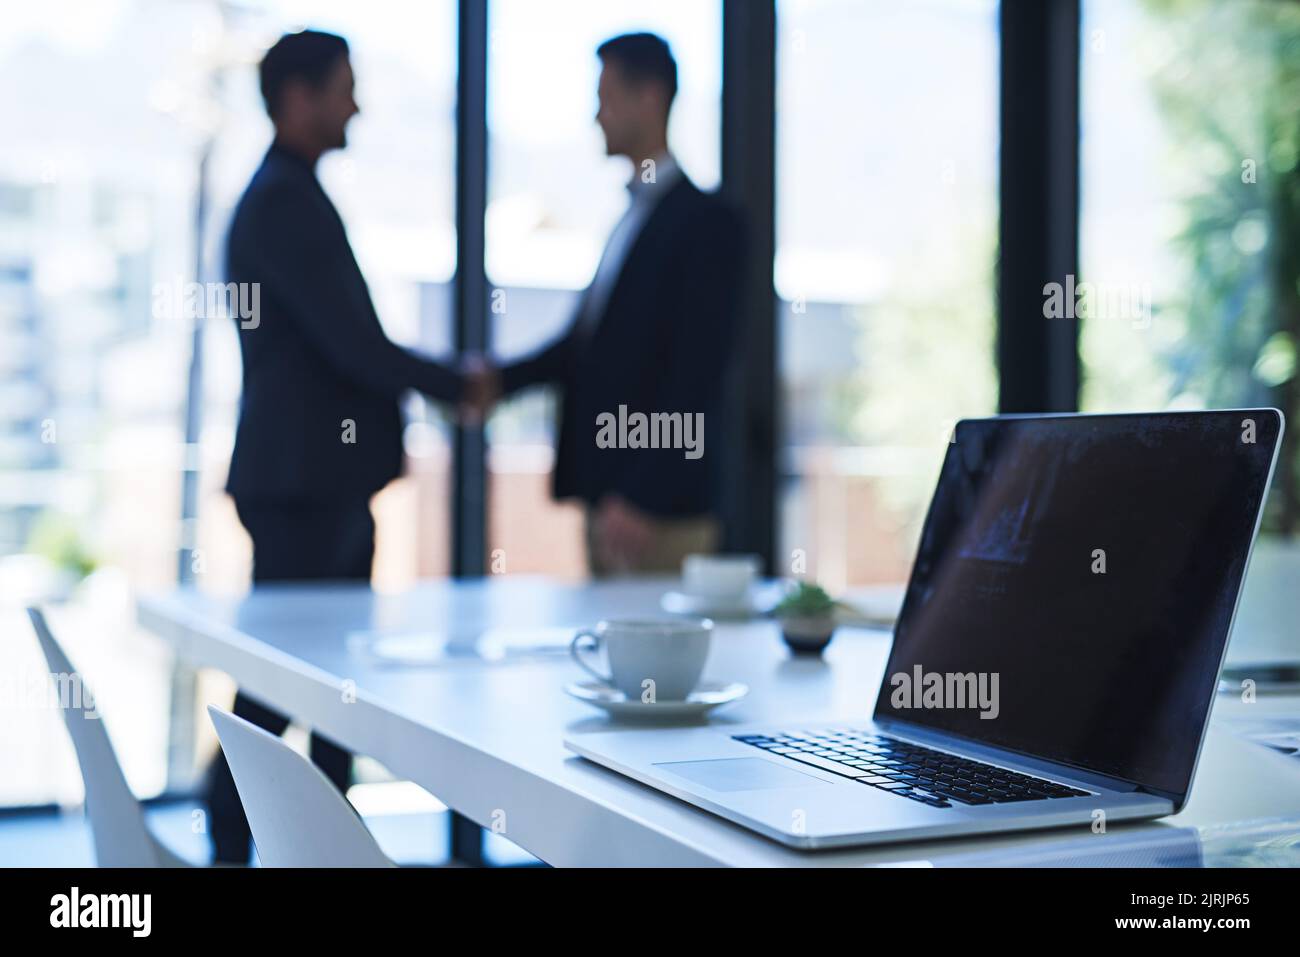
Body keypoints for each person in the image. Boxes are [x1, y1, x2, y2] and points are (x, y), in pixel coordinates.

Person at [206, 30, 462, 865]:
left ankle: (306, 844)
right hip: (303, 489)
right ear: (298, 96)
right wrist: (457, 381)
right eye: (344, 88)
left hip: (309, 484)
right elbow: (352, 344)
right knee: (287, 686)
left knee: (312, 686)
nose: (356, 105)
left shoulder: (287, 193)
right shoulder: (284, 200)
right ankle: (241, 837)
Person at [464, 32, 745, 576]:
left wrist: (646, 494)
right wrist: (496, 381)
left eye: (606, 97)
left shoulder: (709, 224)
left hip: (655, 513)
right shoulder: (627, 218)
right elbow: (585, 349)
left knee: (660, 660)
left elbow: (698, 370)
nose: (596, 117)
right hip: (611, 499)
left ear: (650, 97)